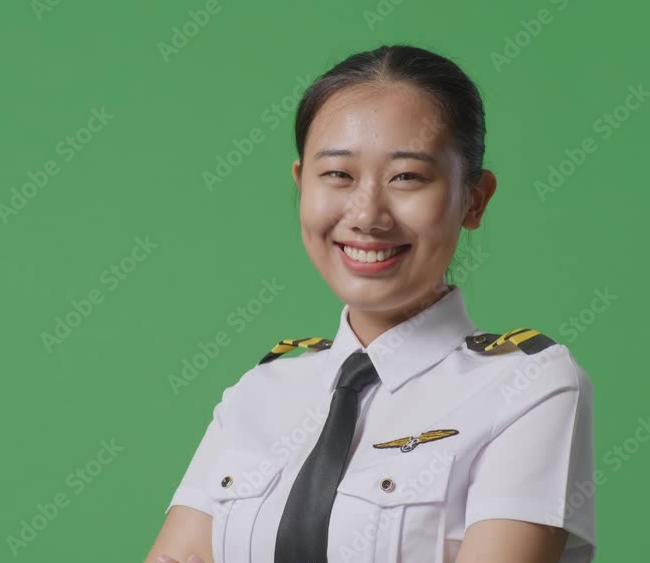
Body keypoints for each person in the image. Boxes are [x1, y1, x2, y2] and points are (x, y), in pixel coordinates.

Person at [146, 44, 596, 563]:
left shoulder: (526, 389)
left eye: (407, 177)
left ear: (474, 199)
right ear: (301, 186)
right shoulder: (259, 392)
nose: (367, 214)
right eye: (338, 175)